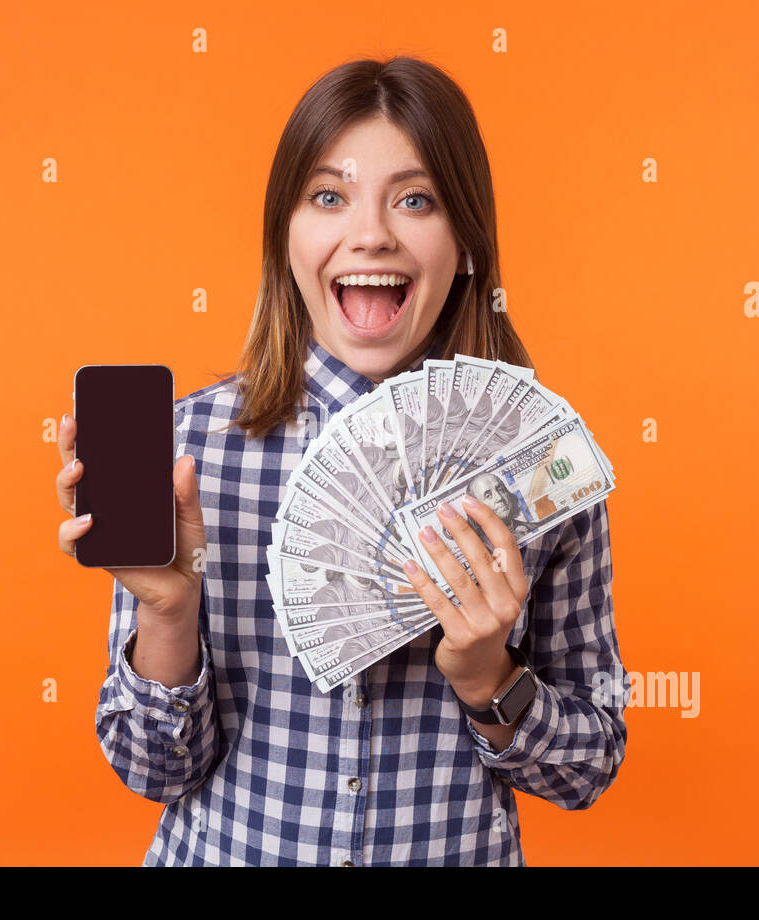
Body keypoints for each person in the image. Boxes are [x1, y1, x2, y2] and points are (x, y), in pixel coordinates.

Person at [53, 56, 628, 866]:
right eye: (329, 197)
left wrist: (489, 678)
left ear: (465, 242)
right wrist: (170, 615)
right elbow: (151, 768)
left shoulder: (542, 472)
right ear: (284, 240)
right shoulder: (189, 454)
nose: (370, 233)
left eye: (416, 199)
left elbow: (589, 765)